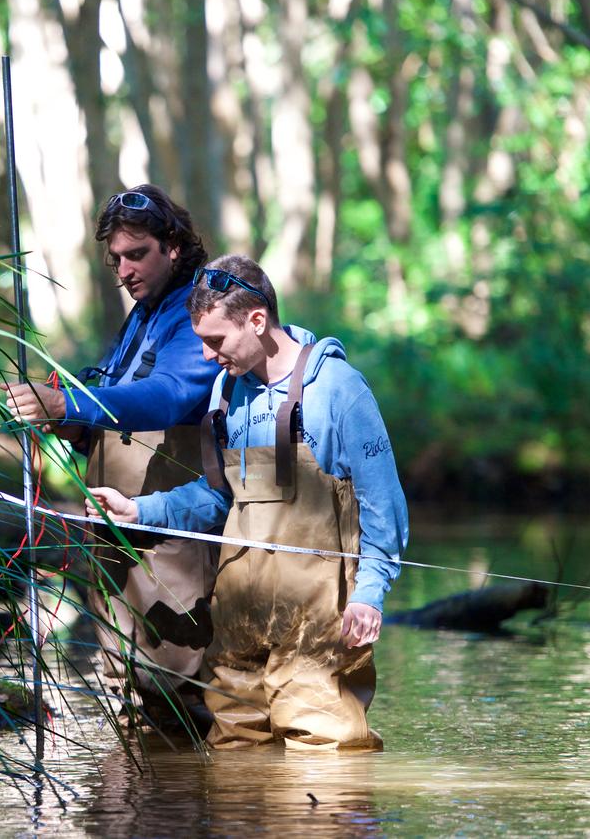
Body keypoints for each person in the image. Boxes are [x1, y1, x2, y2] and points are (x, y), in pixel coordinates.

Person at [85, 253, 408, 750]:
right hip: (238, 621)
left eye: (216, 341)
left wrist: (369, 594)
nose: (209, 355)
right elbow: (219, 497)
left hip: (317, 625)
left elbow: (383, 505)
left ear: (256, 320)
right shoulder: (224, 392)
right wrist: (139, 510)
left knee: (325, 751)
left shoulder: (339, 390)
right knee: (234, 751)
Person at [1, 185, 221, 729]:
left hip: (172, 528)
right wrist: (64, 418)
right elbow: (112, 409)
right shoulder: (142, 315)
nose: (123, 270)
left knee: (181, 688)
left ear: (173, 246)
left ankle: (201, 805)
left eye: (137, 253)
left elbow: (172, 395)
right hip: (116, 534)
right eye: (116, 258)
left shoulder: (199, 306)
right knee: (126, 682)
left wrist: (69, 400)